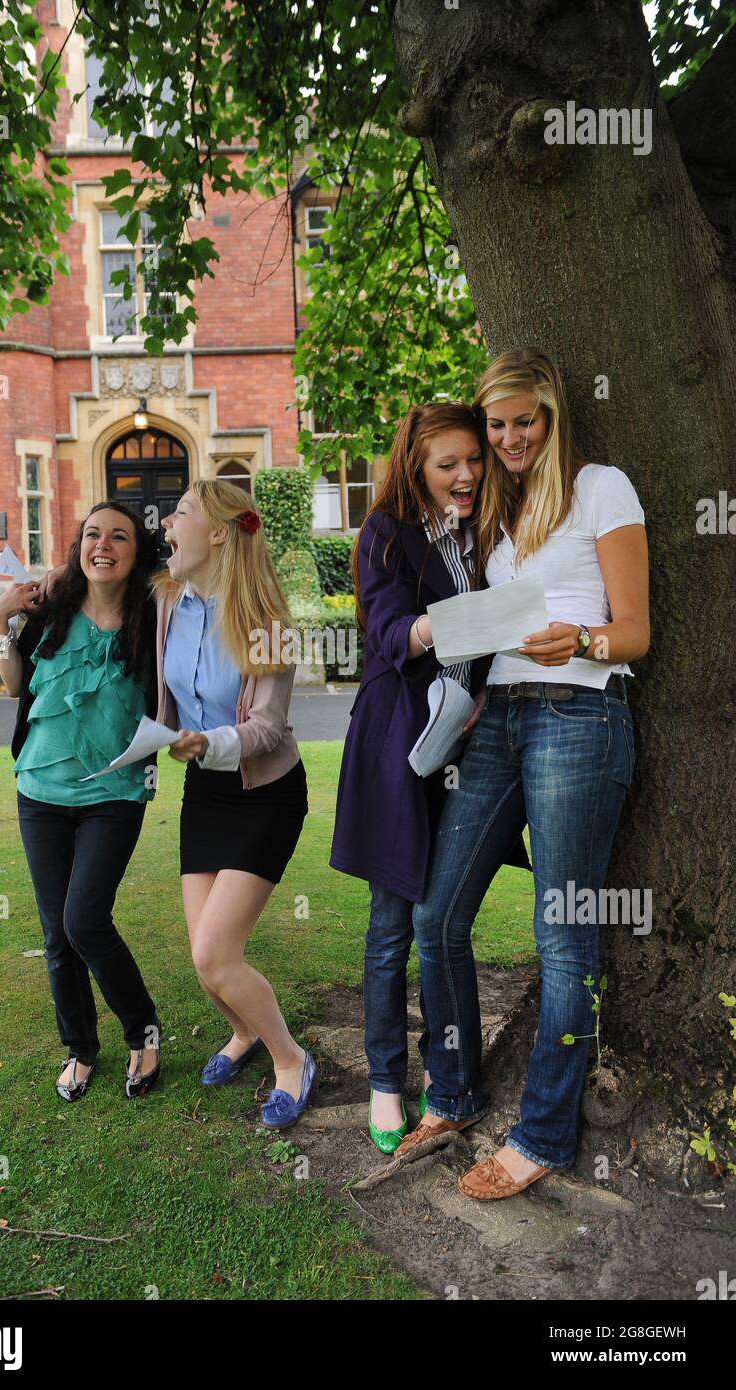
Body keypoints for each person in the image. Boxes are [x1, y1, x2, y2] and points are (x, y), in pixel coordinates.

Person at [400, 348, 649, 1199]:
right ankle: (458, 1090)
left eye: (523, 422)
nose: (507, 438)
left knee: (561, 932)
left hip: (579, 714)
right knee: (435, 918)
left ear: (552, 416)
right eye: (496, 424)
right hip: (496, 719)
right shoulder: (494, 509)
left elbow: (636, 633)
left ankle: (542, 1133)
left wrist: (578, 641)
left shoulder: (600, 487)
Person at [330, 401, 528, 1154]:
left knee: (439, 920)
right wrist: (460, 624)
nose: (467, 474)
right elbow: (386, 634)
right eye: (447, 464)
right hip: (398, 746)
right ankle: (385, 1083)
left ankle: (452, 1076)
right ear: (415, 466)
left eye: (473, 460)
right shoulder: (385, 531)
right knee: (389, 927)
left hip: (471, 747)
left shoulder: (494, 531)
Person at [0, 501, 162, 1103]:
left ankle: (143, 1028)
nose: (103, 545)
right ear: (78, 546)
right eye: (92, 534)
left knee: (83, 918)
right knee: (56, 930)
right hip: (39, 789)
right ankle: (80, 1048)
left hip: (115, 793)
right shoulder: (53, 612)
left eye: (119, 536)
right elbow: (16, 686)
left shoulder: (154, 617)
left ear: (137, 552)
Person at [159, 480, 315, 1129]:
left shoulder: (268, 623)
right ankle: (242, 1033)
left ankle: (290, 1059)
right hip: (205, 792)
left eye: (182, 513)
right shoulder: (169, 604)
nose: (167, 522)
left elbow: (270, 729)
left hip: (265, 795)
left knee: (214, 955)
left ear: (218, 533)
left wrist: (209, 740)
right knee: (204, 956)